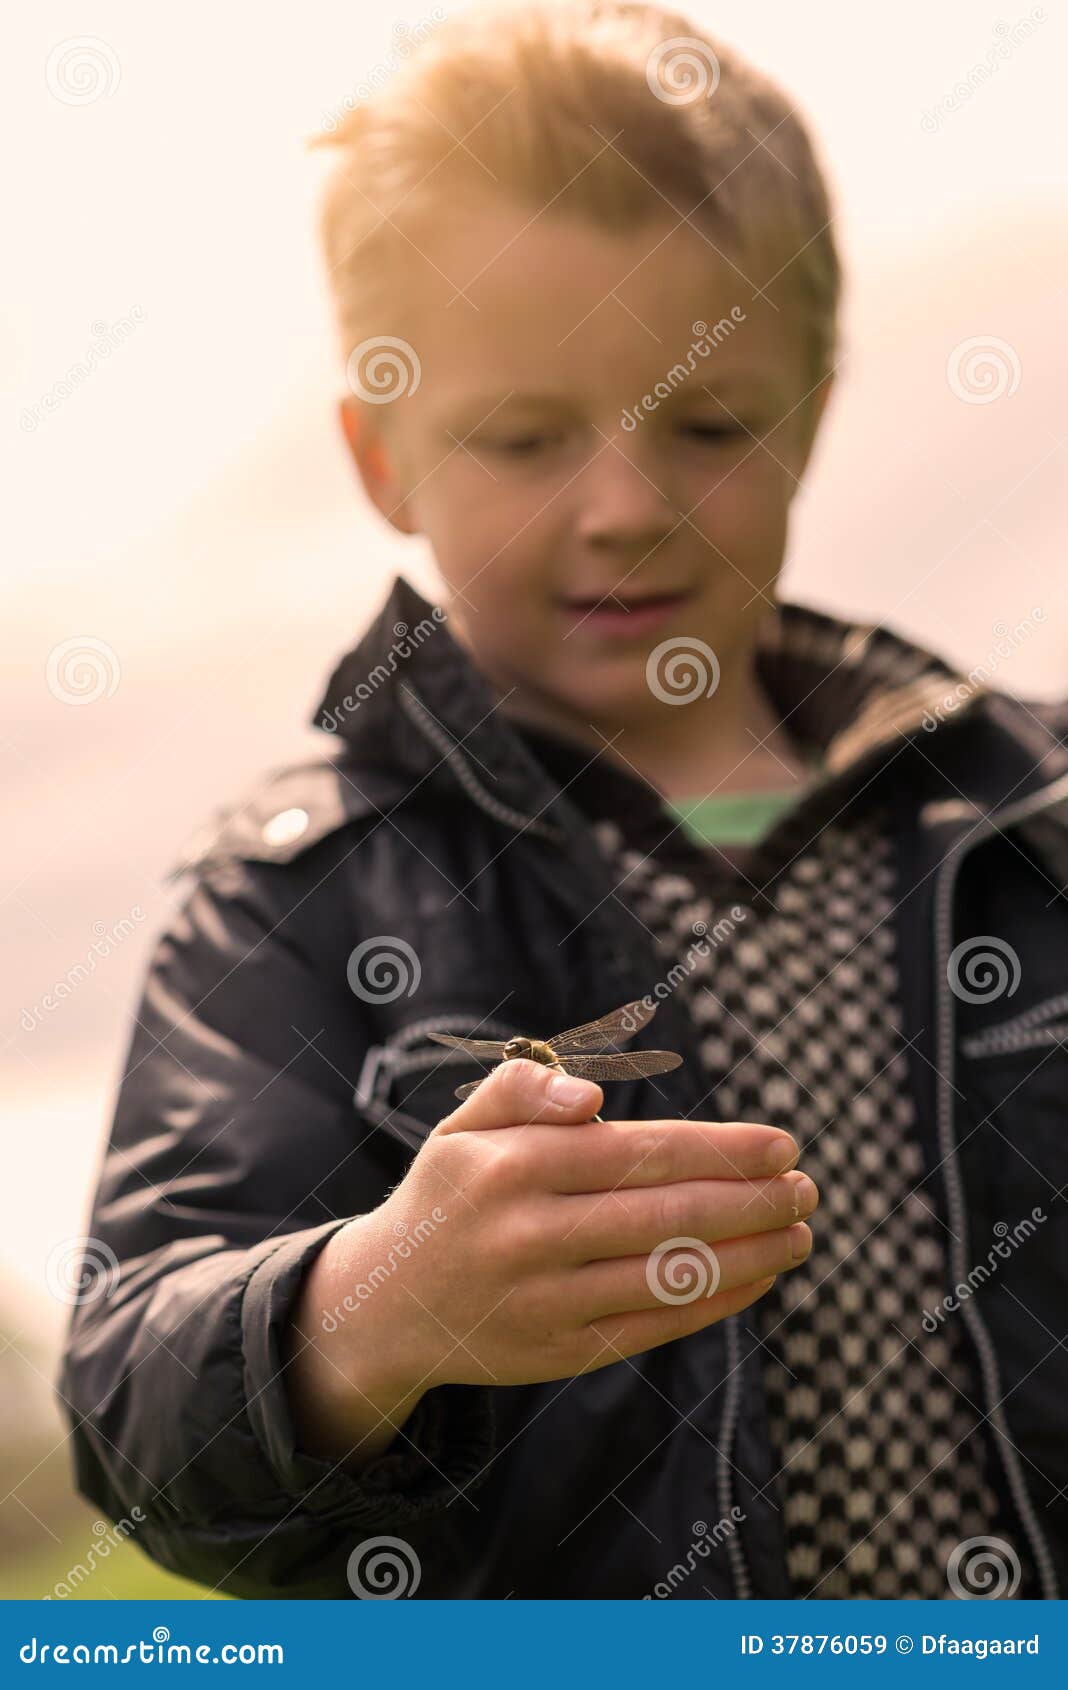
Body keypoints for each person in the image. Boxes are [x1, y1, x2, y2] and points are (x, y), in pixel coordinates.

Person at [58, 0, 1068, 1600]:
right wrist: (376, 1304)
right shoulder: (300, 885)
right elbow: (135, 1411)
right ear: (383, 457)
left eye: (713, 422)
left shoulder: (1034, 820)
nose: (627, 507)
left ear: (812, 410)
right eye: (525, 437)